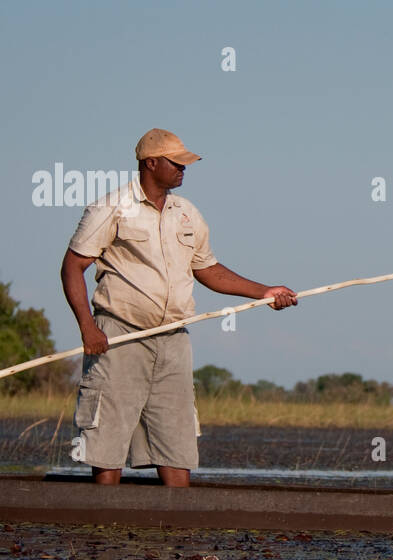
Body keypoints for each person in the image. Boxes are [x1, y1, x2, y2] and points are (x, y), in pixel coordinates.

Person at [60, 128, 298, 487]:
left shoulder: (186, 214)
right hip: (120, 336)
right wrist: (88, 329)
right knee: (105, 441)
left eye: (185, 163)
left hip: (173, 340)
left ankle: (177, 530)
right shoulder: (111, 208)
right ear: (150, 163)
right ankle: (101, 526)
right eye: (176, 163)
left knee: (176, 442)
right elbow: (72, 267)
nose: (184, 169)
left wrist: (264, 292)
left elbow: (209, 270)